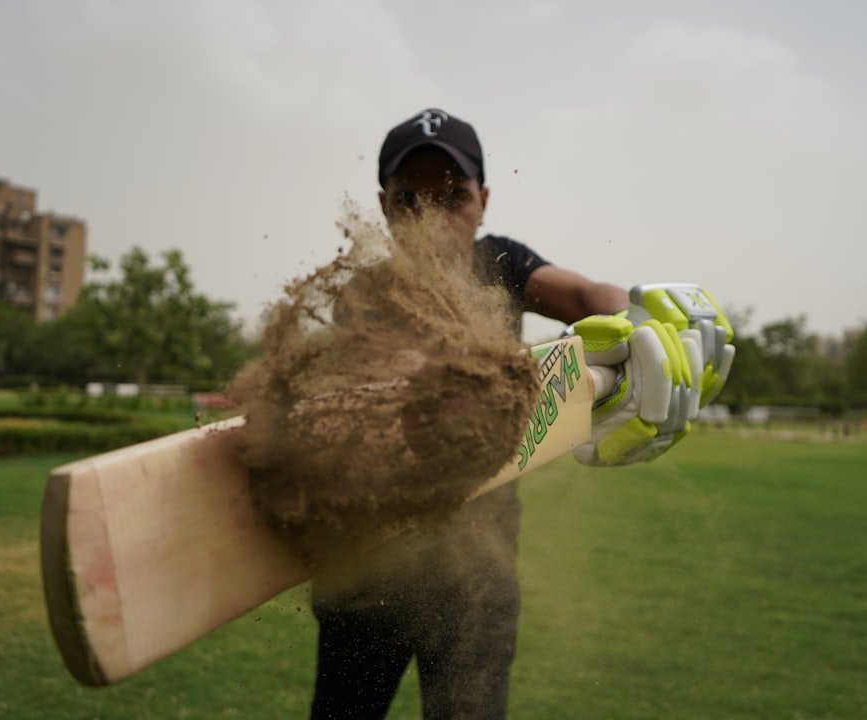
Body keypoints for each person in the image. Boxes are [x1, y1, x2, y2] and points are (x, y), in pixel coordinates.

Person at [308, 108, 731, 719]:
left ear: (483, 200)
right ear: (382, 205)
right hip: (366, 571)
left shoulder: (501, 262)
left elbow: (586, 296)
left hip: (476, 577)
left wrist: (636, 321)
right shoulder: (363, 291)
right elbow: (389, 372)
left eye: (453, 195)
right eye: (410, 198)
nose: (433, 215)